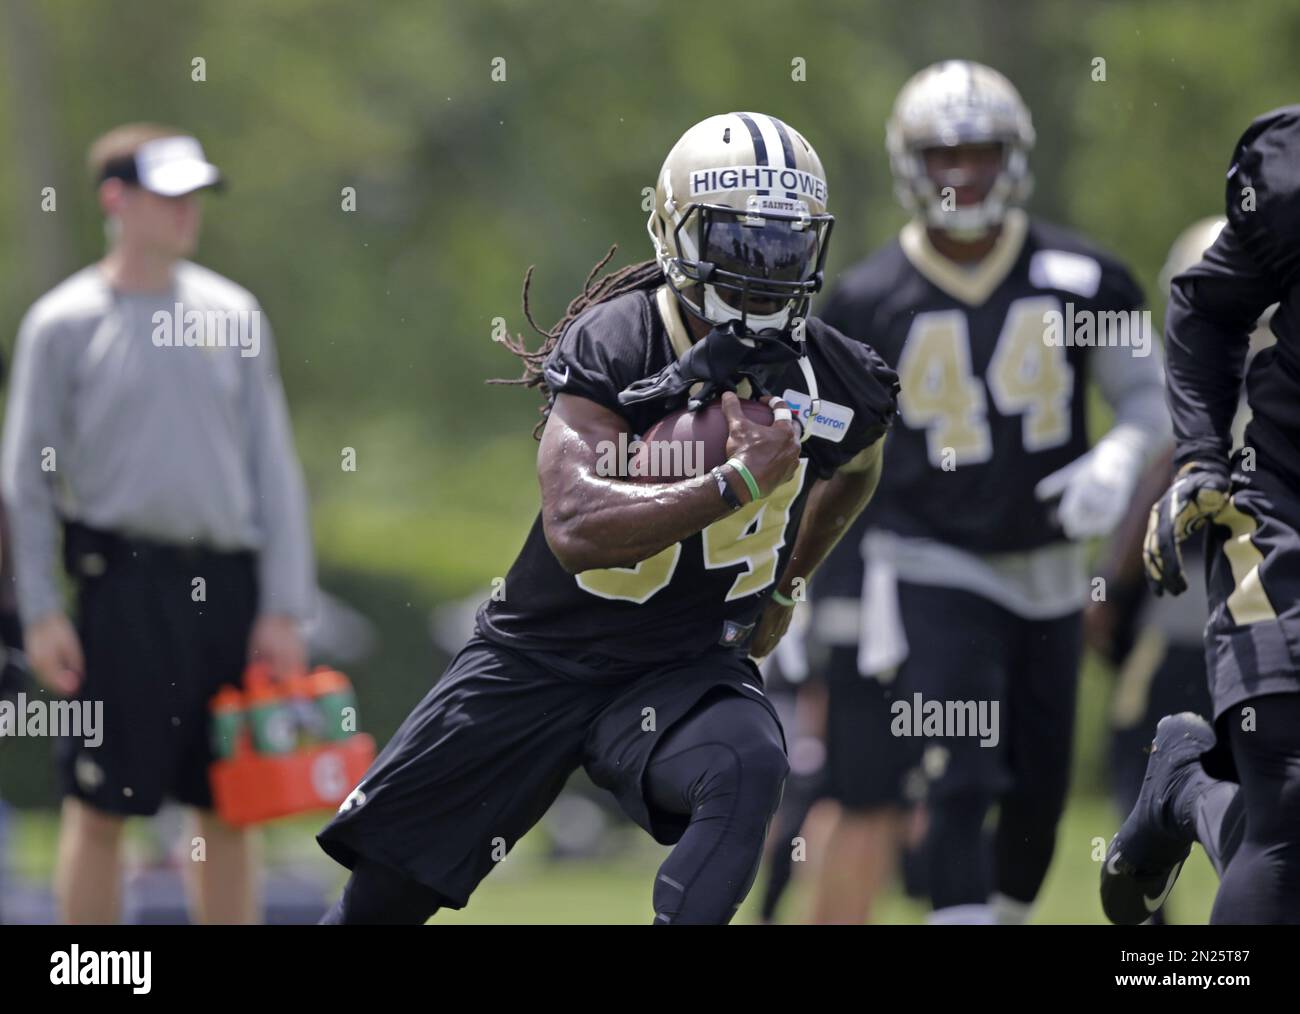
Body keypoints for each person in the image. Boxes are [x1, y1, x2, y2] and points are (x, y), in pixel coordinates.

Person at [316, 112, 899, 925]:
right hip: (539, 658)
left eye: (784, 247)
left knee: (749, 761)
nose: (765, 272)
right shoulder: (620, 341)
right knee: (377, 907)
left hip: (683, 666)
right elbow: (577, 528)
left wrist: (787, 585)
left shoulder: (836, 376)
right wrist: (736, 484)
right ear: (675, 232)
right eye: (741, 246)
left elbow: (861, 463)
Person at [805, 61, 1170, 924]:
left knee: (1040, 791)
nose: (962, 173)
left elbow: (1154, 400)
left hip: (1050, 567)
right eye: (942, 155)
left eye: (980, 152)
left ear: (1013, 157)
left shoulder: (1083, 275)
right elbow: (829, 458)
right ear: (910, 164)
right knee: (959, 766)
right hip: (930, 563)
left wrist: (1119, 460)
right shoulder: (866, 299)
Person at [1, 124, 315, 924]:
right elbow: (26, 485)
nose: (185, 212)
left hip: (229, 589)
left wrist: (284, 606)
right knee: (103, 804)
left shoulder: (234, 313)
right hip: (118, 588)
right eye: (166, 195)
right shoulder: (62, 323)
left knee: (228, 803)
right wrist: (39, 612)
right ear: (116, 199)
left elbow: (272, 470)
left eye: (192, 197)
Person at [1104, 106, 1300, 925]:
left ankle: (1184, 787)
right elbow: (1207, 304)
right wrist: (1201, 459)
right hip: (1287, 509)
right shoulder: (1287, 171)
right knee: (1290, 802)